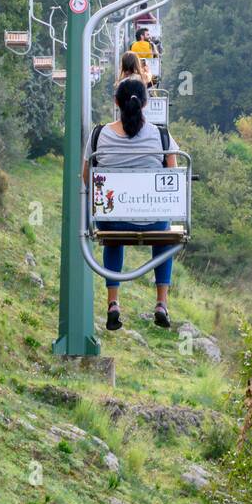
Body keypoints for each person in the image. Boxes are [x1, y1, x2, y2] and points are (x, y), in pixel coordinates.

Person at [84, 76, 180, 331]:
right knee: (163, 231)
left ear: (116, 102)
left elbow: (87, 178)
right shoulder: (161, 136)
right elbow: (172, 175)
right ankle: (161, 302)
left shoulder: (99, 135)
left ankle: (113, 302)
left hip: (113, 220)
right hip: (154, 221)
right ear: (146, 104)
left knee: (113, 235)